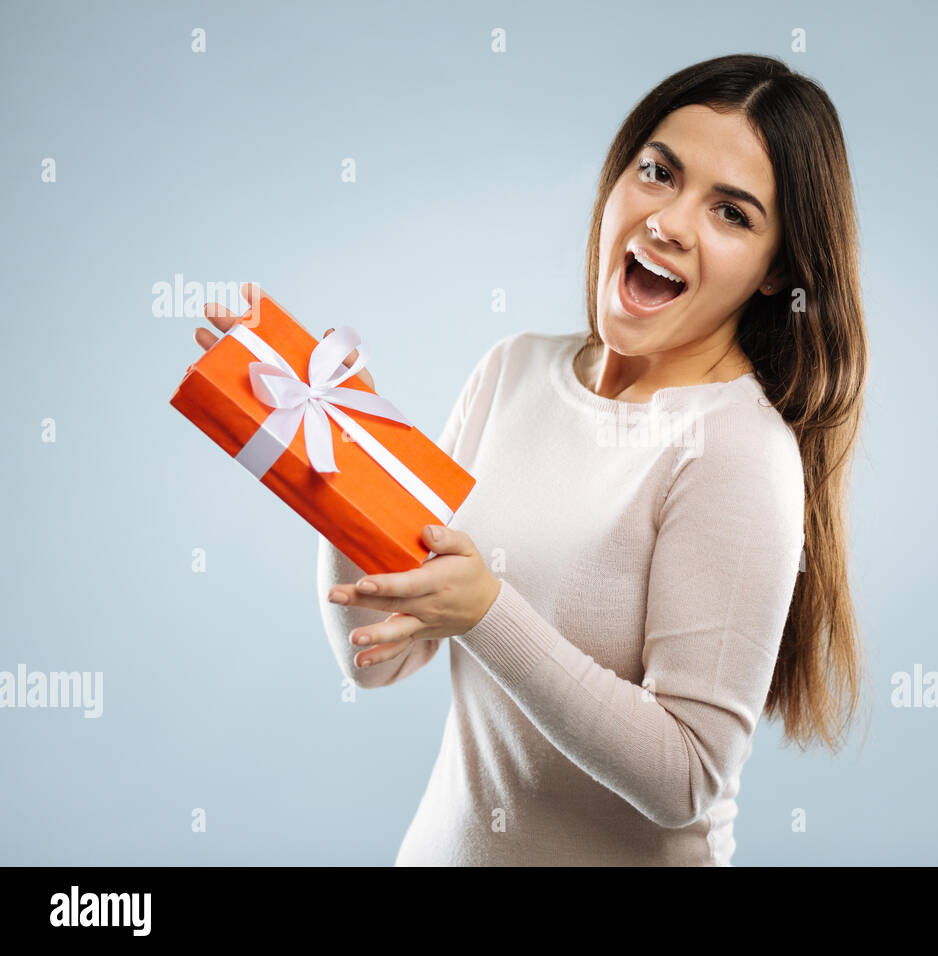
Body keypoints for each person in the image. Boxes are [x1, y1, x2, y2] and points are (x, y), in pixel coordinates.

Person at [194, 53, 869, 866]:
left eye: (732, 213)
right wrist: (342, 456)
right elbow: (379, 657)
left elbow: (686, 775)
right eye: (658, 172)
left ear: (779, 272)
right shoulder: (513, 369)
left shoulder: (737, 451)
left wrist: (488, 612)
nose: (670, 222)